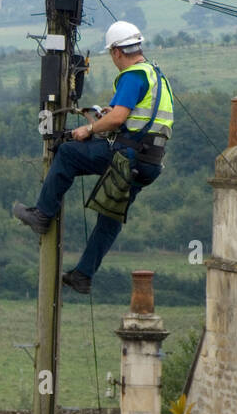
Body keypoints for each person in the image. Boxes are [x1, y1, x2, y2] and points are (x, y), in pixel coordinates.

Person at [11, 21, 174, 294]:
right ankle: (83, 276)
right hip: (149, 164)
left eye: (112, 54)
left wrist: (89, 128)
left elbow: (120, 118)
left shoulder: (133, 76)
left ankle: (42, 214)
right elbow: (134, 117)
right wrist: (109, 115)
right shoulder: (156, 76)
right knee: (110, 217)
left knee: (68, 154)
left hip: (127, 157)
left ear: (117, 52)